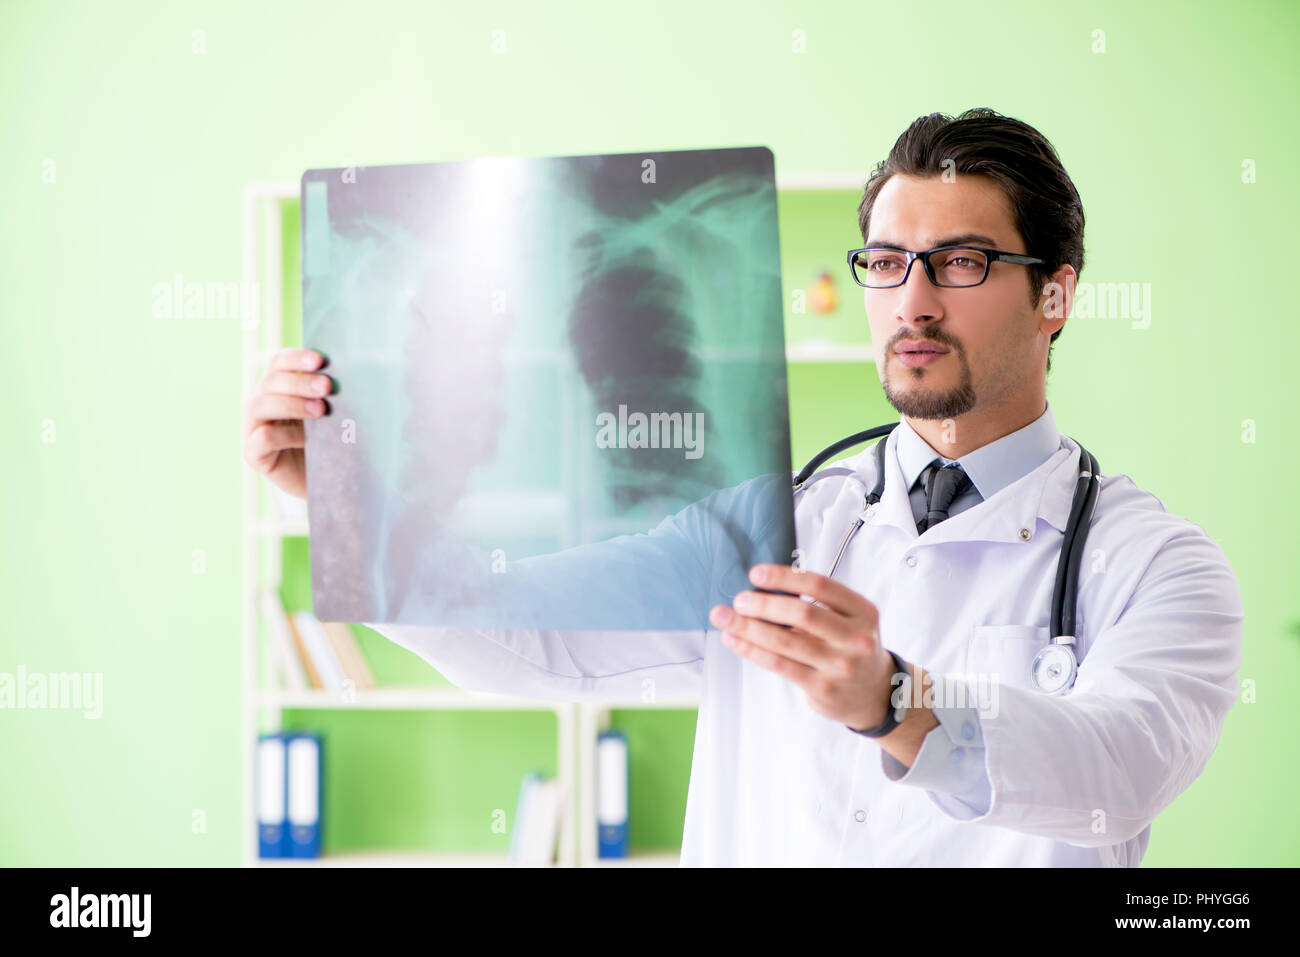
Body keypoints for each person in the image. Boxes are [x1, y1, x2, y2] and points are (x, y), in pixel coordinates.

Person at [243, 108, 1243, 867]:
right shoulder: (773, 528)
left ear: (1055, 293)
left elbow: (1121, 765)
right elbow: (531, 642)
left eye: (963, 262)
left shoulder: (1151, 563)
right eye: (887, 263)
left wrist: (897, 704)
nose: (913, 301)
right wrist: (337, 504)